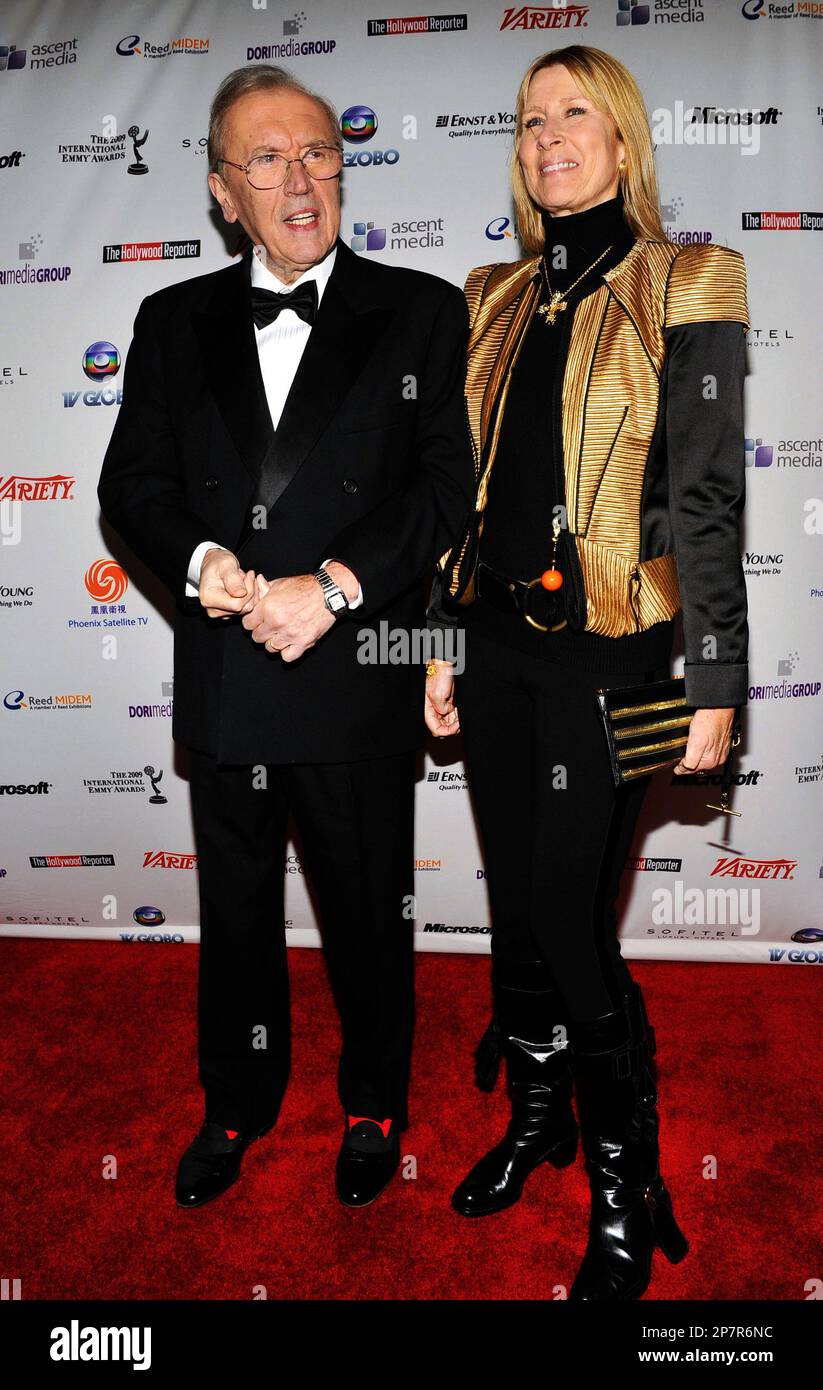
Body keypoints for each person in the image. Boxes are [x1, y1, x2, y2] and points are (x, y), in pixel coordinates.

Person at [98, 65, 474, 1212]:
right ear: (223, 191)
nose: (298, 177)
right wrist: (207, 566)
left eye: (317, 152)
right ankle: (236, 1103)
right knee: (239, 911)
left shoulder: (419, 308)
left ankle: (372, 1104)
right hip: (226, 673)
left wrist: (340, 584)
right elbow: (135, 485)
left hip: (356, 663)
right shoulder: (169, 321)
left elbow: (445, 485)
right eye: (265, 158)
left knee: (367, 907)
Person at [425, 44, 749, 1300]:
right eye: (526, 120)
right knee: (517, 909)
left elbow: (707, 493)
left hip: (613, 660)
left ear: (621, 139)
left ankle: (629, 1176)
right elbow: (465, 493)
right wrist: (442, 644)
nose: (546, 136)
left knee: (568, 918)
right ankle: (540, 1115)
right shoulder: (491, 295)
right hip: (495, 644)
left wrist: (716, 675)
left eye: (572, 113)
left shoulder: (689, 279)